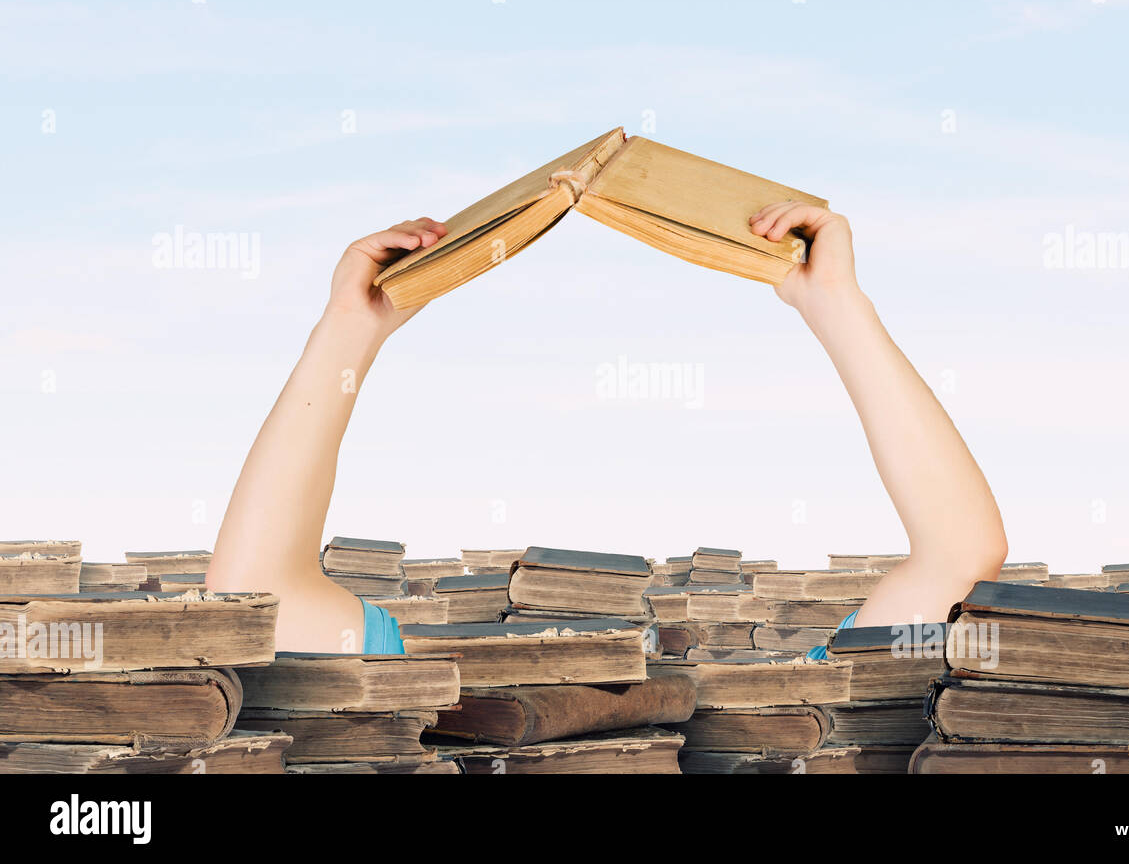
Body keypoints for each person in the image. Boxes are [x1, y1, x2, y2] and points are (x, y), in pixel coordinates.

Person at [206, 203, 1008, 654]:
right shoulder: (433, 702)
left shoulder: (798, 711)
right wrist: (350, 329)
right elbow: (253, 599)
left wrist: (836, 303)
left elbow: (959, 555)